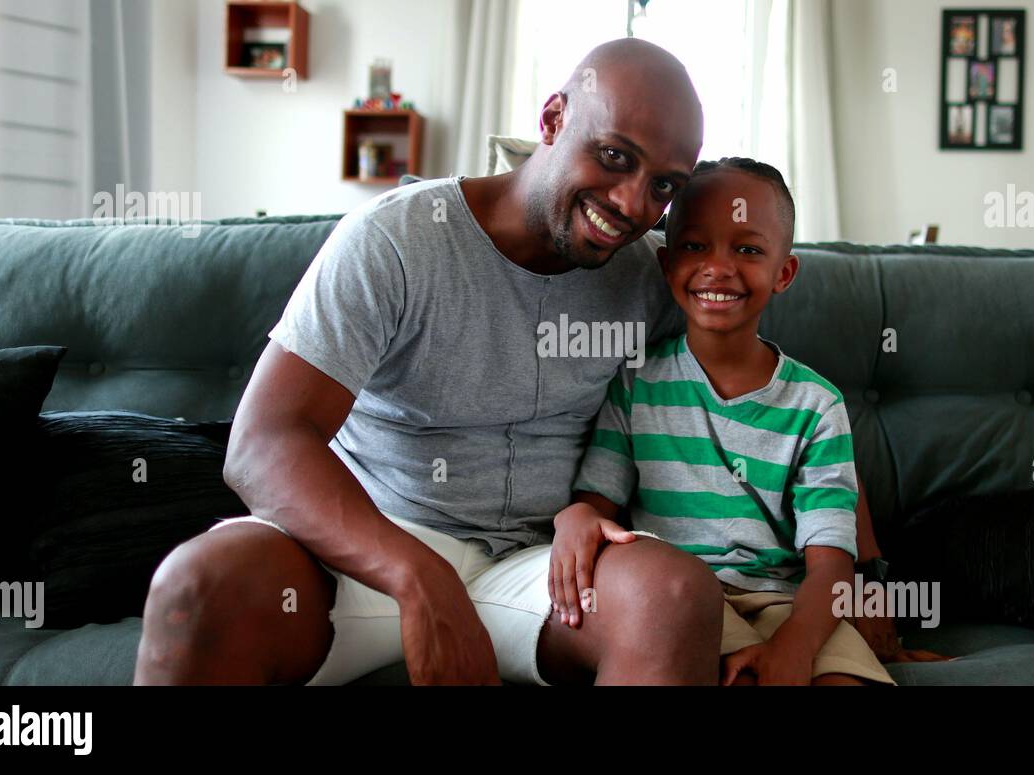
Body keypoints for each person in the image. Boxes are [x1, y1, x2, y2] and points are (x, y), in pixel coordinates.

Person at [135, 38, 927, 686]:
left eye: (662, 186)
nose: (629, 202)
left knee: (673, 592)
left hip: (549, 567)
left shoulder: (650, 271)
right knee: (198, 583)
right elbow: (265, 442)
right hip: (372, 547)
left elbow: (790, 397)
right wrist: (417, 575)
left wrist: (871, 571)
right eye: (613, 155)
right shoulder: (396, 240)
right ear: (553, 118)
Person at [550, 157, 895, 685]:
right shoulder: (636, 382)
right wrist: (574, 516)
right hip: (679, 601)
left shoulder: (817, 406)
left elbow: (830, 564)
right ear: (666, 265)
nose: (718, 267)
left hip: (786, 604)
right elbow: (599, 507)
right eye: (695, 246)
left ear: (784, 272)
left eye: (748, 250)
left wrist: (793, 650)